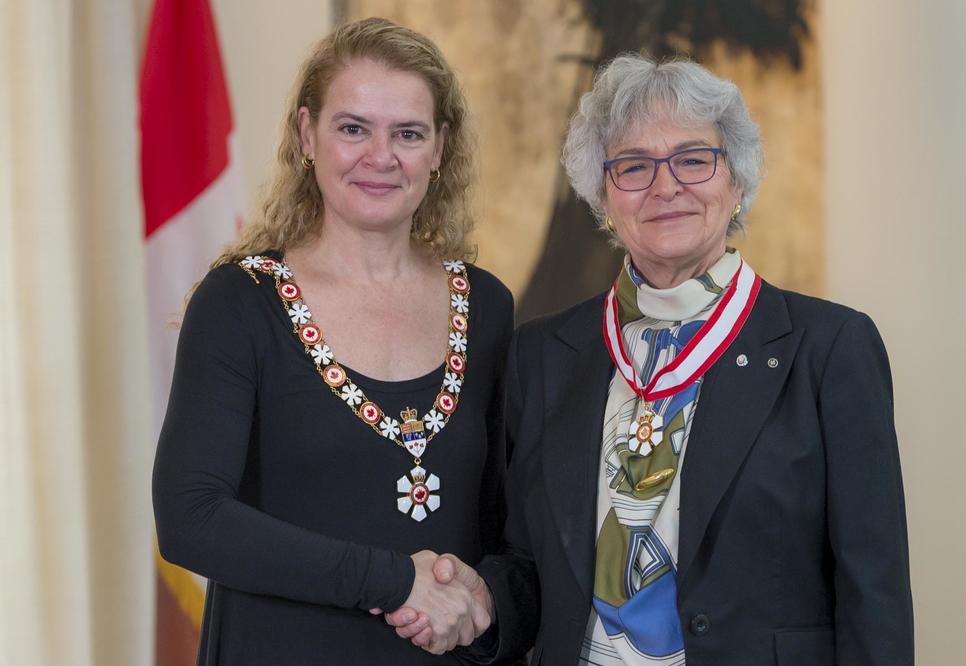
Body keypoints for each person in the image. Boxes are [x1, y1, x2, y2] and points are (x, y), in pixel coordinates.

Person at [389, 54, 914, 665]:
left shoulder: (829, 348)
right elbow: (531, 567)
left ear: (736, 181)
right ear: (604, 196)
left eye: (694, 159)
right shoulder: (543, 354)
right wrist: (476, 601)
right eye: (634, 166)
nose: (666, 187)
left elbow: (873, 591)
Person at [152, 17, 512, 665]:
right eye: (353, 128)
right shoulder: (238, 303)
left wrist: (486, 605)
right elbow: (191, 518)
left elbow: (510, 524)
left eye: (408, 133)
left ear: (439, 148)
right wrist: (395, 581)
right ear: (306, 134)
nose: (381, 157)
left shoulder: (487, 305)